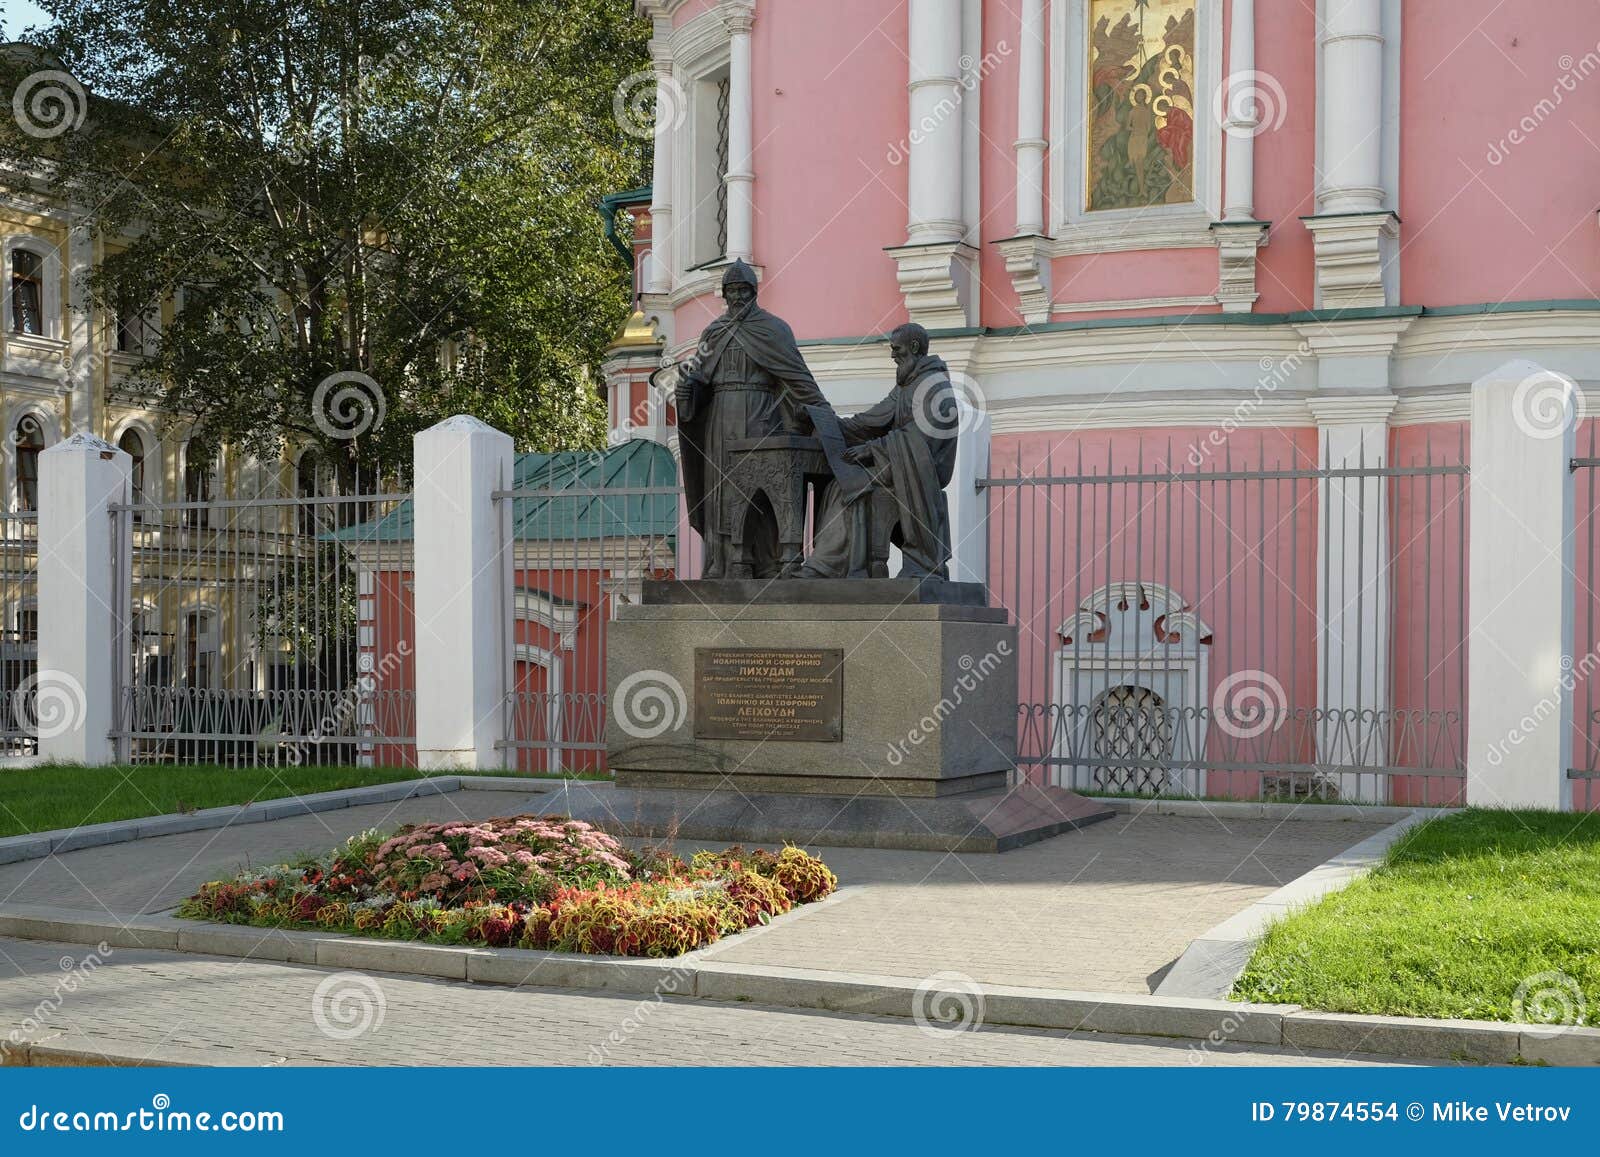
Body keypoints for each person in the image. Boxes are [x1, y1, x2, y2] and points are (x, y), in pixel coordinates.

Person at [674, 260, 834, 578]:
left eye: (743, 290)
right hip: (720, 420)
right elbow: (699, 380)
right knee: (721, 490)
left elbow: (796, 378)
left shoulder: (773, 329)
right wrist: (687, 387)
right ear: (724, 294)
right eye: (731, 291)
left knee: (764, 488)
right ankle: (722, 564)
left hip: (761, 416)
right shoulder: (713, 332)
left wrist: (825, 417)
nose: (737, 297)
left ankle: (767, 564)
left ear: (754, 292)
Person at [799, 323, 957, 580]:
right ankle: (844, 565)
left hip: (919, 471)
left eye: (896, 349)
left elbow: (923, 439)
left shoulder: (934, 386)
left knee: (852, 486)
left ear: (914, 347)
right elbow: (871, 420)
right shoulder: (907, 385)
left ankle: (832, 565)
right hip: (898, 464)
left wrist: (873, 450)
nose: (892, 355)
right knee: (839, 485)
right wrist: (828, 423)